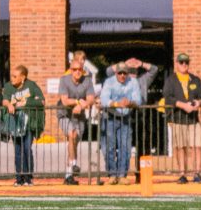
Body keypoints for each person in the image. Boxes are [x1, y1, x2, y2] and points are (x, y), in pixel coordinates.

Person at [161, 52, 201, 184]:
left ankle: (197, 173)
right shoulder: (171, 80)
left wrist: (198, 103)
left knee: (197, 146)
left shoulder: (195, 79)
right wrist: (182, 105)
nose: (184, 65)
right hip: (177, 119)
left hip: (193, 119)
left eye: (186, 62)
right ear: (176, 64)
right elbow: (167, 97)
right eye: (181, 62)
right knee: (180, 147)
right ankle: (182, 174)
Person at [0, 65, 44, 186]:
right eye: (12, 76)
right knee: (18, 150)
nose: (12, 78)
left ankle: (28, 177)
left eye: (15, 76)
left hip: (29, 123)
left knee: (27, 149)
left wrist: (25, 103)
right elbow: (4, 100)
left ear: (23, 77)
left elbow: (41, 101)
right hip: (15, 122)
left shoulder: (31, 85)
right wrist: (8, 104)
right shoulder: (8, 86)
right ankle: (19, 177)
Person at [57, 52, 97, 185]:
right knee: (71, 134)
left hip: (79, 116)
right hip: (64, 114)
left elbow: (91, 99)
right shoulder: (64, 79)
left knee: (73, 143)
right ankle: (74, 164)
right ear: (71, 69)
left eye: (80, 69)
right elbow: (64, 100)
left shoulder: (87, 80)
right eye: (74, 69)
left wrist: (83, 104)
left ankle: (69, 176)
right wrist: (79, 102)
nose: (77, 72)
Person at [98, 63, 141, 184]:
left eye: (124, 73)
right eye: (119, 73)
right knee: (108, 147)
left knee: (125, 147)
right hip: (110, 116)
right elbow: (104, 100)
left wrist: (130, 102)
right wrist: (117, 104)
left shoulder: (133, 82)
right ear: (116, 73)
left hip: (126, 117)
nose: (122, 75)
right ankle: (112, 174)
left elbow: (138, 101)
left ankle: (122, 175)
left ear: (127, 73)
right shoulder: (109, 82)